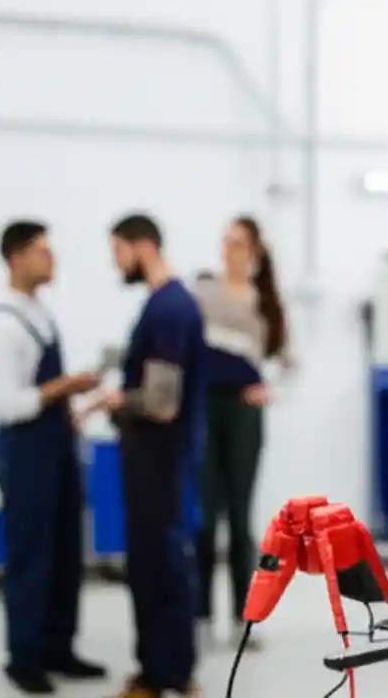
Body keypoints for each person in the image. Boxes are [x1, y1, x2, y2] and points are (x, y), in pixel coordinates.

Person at [83, 213, 206, 698]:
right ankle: (157, 667)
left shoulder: (169, 308)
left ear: (143, 246)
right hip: (154, 463)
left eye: (118, 252)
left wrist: (114, 399)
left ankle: (168, 673)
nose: (117, 263)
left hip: (162, 462)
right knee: (151, 564)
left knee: (163, 565)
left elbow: (161, 401)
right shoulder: (163, 307)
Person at [0, 220, 107, 695]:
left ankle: (59, 647)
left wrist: (72, 404)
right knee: (31, 553)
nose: (51, 259)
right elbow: (10, 404)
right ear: (16, 257)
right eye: (41, 251)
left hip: (56, 445)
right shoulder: (2, 323)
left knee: (65, 552)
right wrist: (67, 386)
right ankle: (24, 657)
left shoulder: (40, 313)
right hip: (26, 449)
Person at [192, 215, 290, 647]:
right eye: (224, 241)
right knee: (204, 517)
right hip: (204, 409)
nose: (228, 250)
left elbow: (289, 361)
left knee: (240, 518)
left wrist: (268, 390)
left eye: (237, 243)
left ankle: (240, 617)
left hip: (244, 415)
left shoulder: (264, 303)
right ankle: (198, 616)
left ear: (254, 252)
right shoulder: (203, 293)